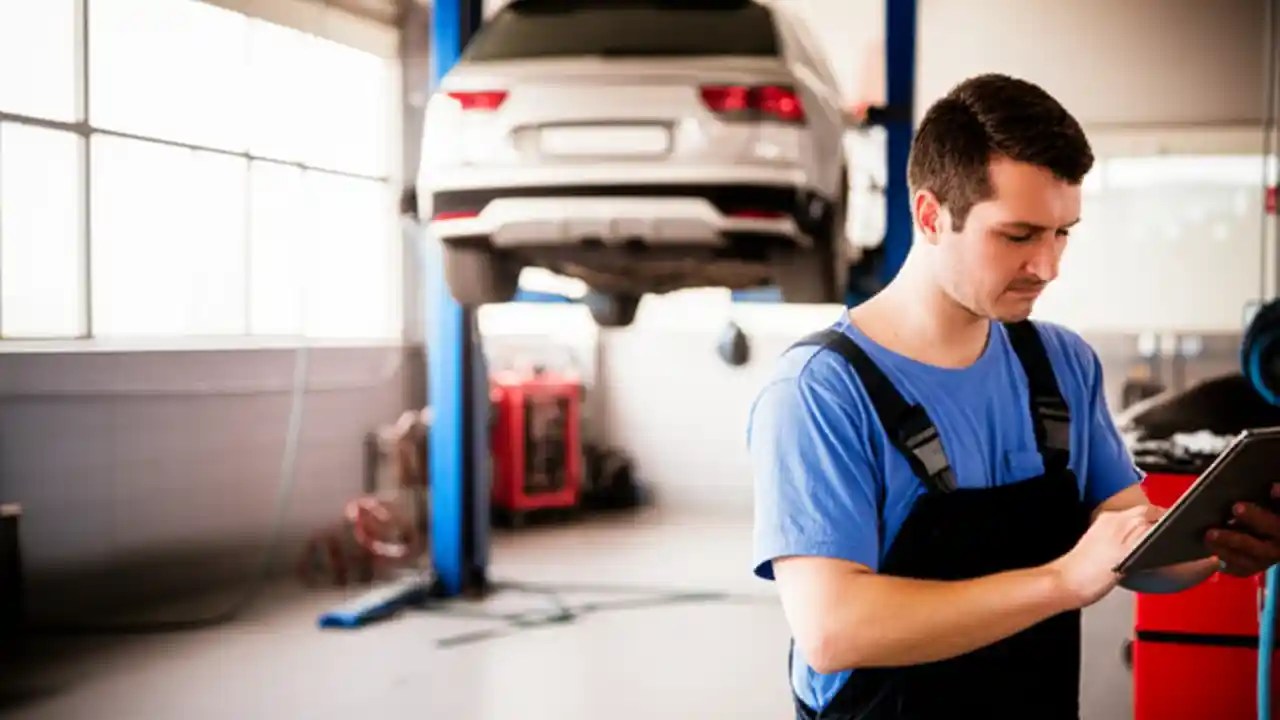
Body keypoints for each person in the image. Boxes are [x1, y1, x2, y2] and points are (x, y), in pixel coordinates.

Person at [748, 73, 1280, 719]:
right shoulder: (822, 392)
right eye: (1019, 235)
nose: (1049, 266)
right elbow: (835, 631)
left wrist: (1220, 544)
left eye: (1063, 233)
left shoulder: (1060, 365)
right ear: (929, 216)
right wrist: (1060, 583)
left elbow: (1131, 557)